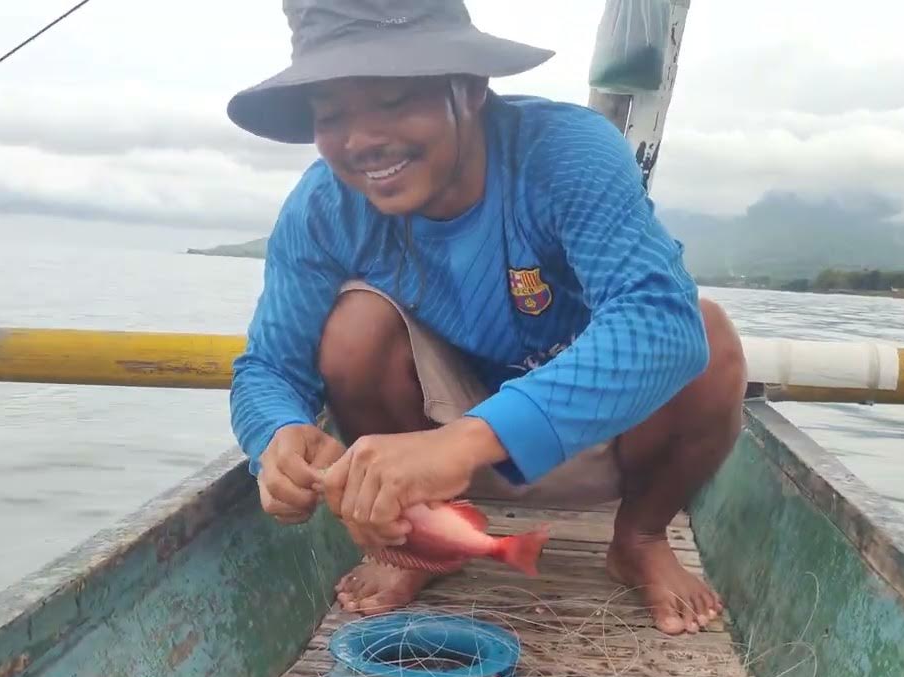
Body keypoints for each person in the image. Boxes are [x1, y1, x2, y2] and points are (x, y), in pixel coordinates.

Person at [225, 0, 747, 636]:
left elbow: (659, 324)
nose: (361, 140)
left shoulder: (565, 151)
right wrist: (274, 436)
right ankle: (418, 541)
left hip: (600, 426)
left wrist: (465, 441)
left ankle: (639, 536)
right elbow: (267, 366)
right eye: (331, 115)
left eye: (393, 101)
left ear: (469, 89)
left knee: (706, 333)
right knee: (353, 328)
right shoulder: (324, 205)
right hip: (435, 439)